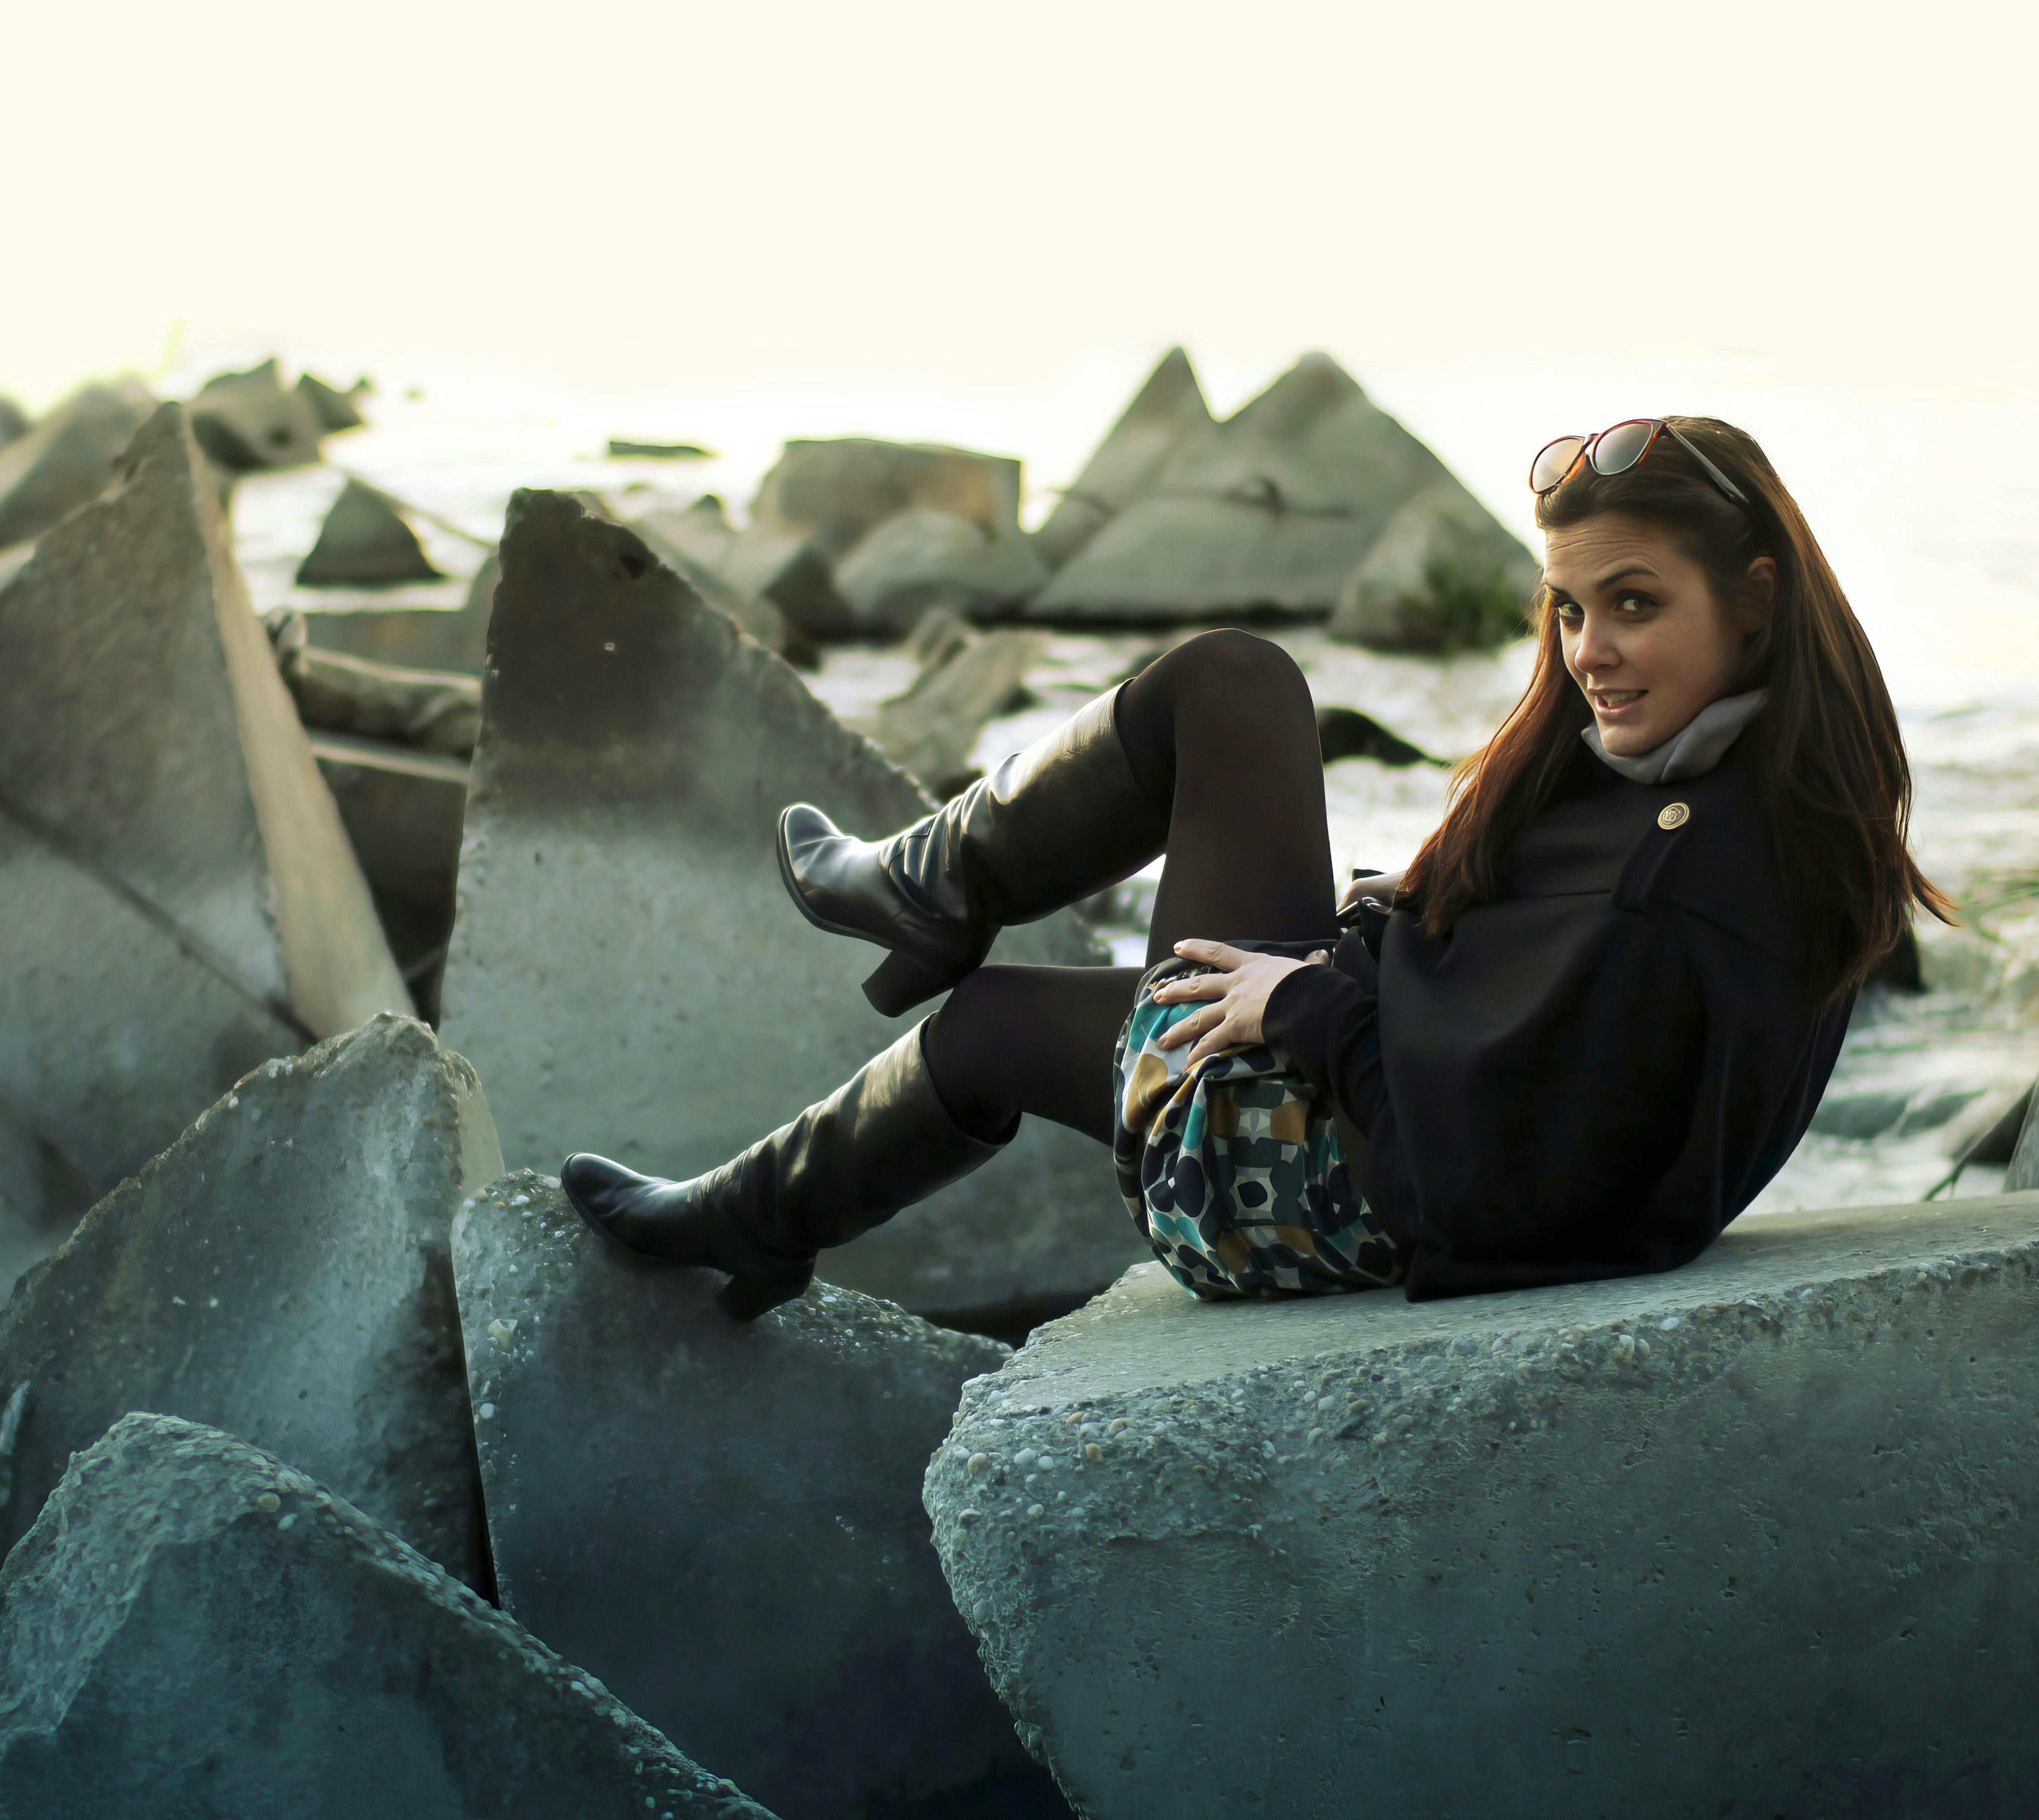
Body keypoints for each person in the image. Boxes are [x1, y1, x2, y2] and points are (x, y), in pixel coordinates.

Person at [560, 415, 1951, 1308]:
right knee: (997, 1006)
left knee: (1228, 691)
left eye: (1634, 605)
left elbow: (1519, 1191)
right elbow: (1533, 1023)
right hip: (1347, 1108)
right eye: (1572, 608)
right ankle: (768, 1188)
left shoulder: (1707, 871)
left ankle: (914, 917)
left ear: (1757, 601)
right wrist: (1377, 943)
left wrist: (1316, 1007)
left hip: (1306, 1192)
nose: (1588, 654)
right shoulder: (1698, 785)